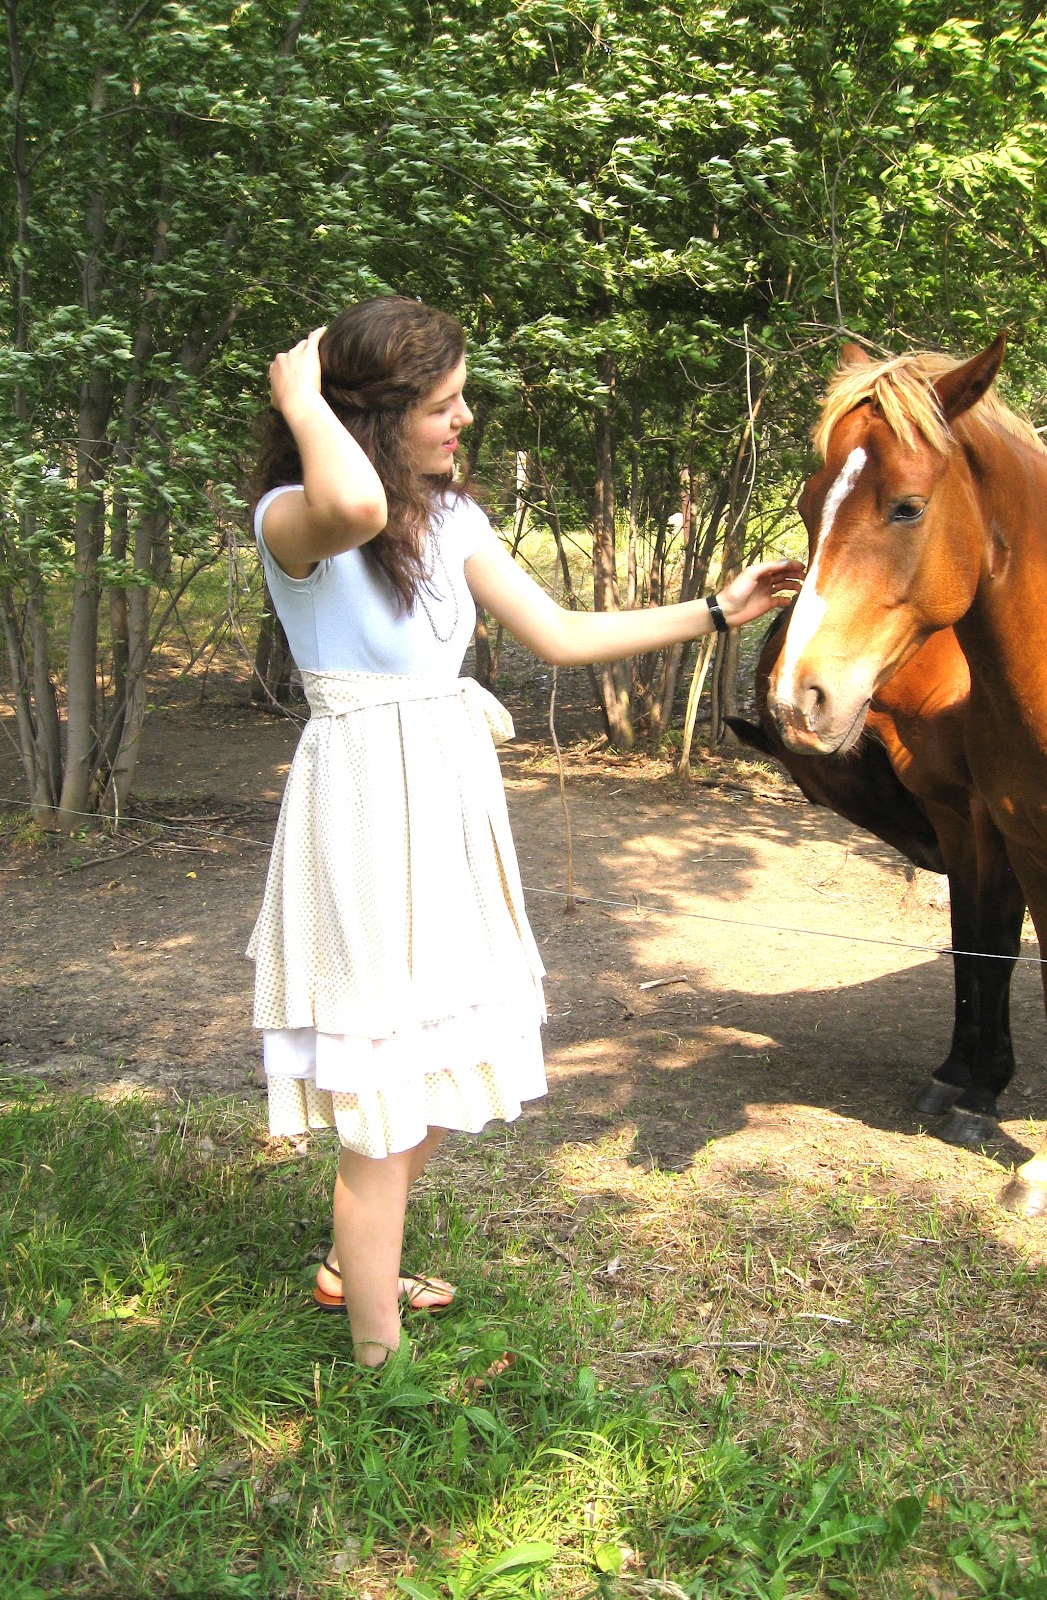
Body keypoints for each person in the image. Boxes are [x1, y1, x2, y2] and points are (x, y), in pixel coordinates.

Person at [248, 296, 803, 1368]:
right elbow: (356, 504)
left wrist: (719, 611)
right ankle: (379, 1358)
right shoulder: (297, 516)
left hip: (447, 803)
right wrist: (302, 400)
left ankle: (353, 1257)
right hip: (363, 818)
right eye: (443, 405)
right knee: (384, 1099)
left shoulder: (452, 520)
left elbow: (560, 634)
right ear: (370, 415)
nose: (466, 421)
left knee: (448, 1057)